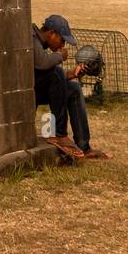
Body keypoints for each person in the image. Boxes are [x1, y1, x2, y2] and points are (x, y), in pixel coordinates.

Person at [33, 13, 108, 160]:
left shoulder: (40, 42)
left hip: (35, 87)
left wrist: (71, 74)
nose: (63, 45)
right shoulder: (32, 37)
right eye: (62, 40)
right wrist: (60, 56)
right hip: (24, 93)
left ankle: (84, 146)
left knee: (73, 88)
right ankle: (60, 135)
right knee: (56, 71)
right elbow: (42, 63)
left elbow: (42, 74)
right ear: (51, 33)